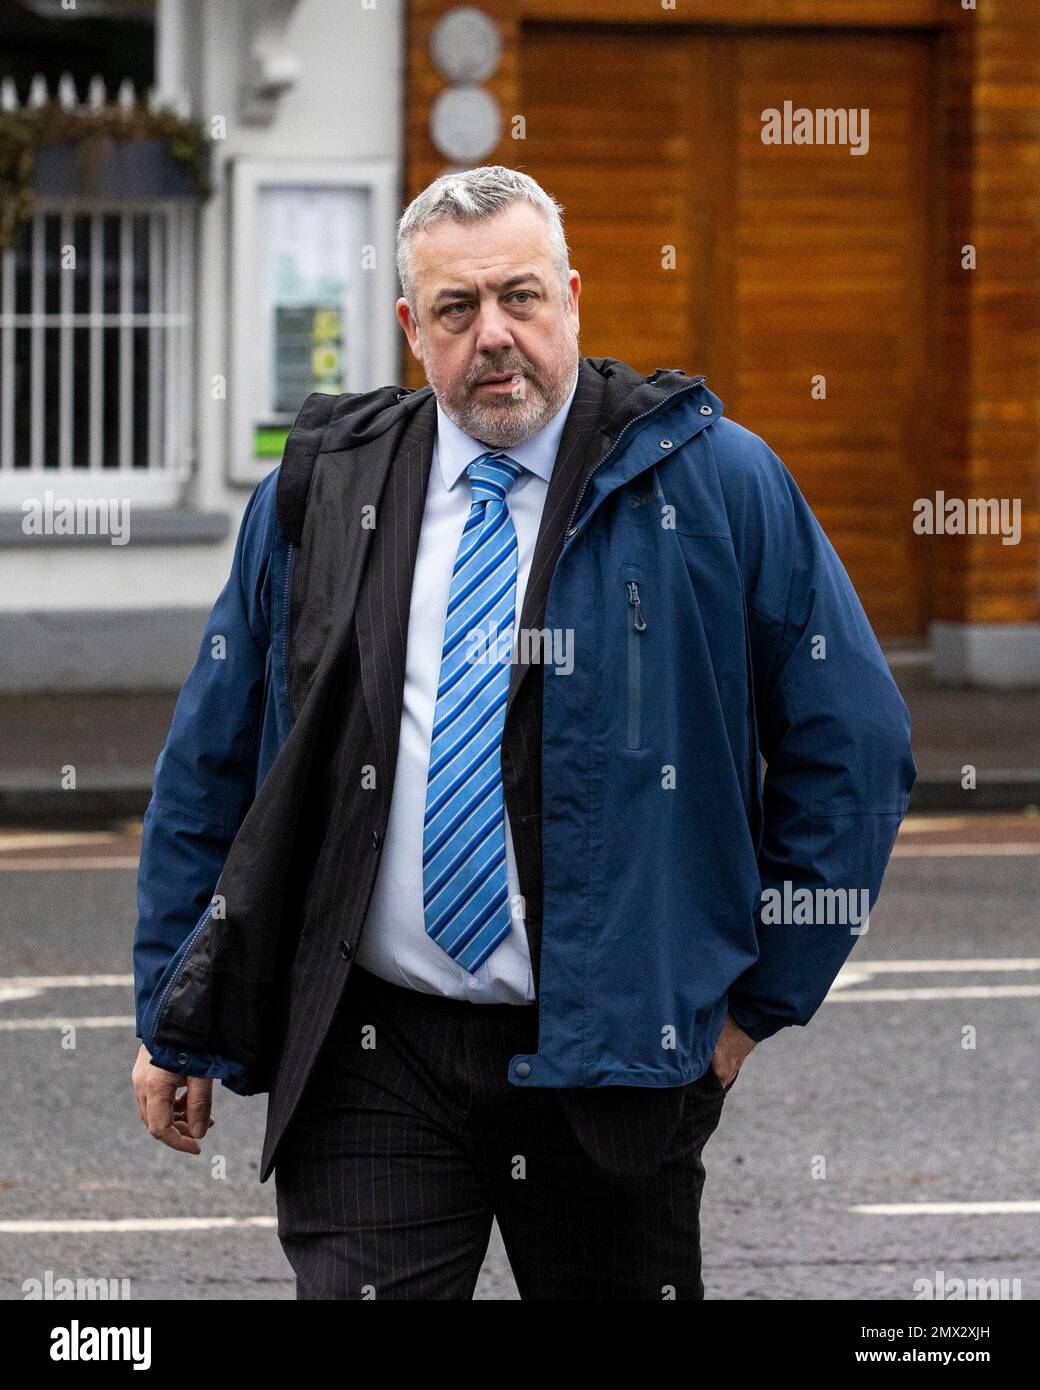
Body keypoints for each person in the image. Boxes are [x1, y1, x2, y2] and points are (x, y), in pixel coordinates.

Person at [132, 164, 916, 1300]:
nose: (492, 335)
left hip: (610, 1054)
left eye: (520, 296)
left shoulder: (711, 482)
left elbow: (851, 743)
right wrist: (175, 1008)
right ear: (412, 328)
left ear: (573, 298)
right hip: (371, 1048)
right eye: (456, 309)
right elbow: (209, 758)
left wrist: (750, 1006)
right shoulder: (325, 486)